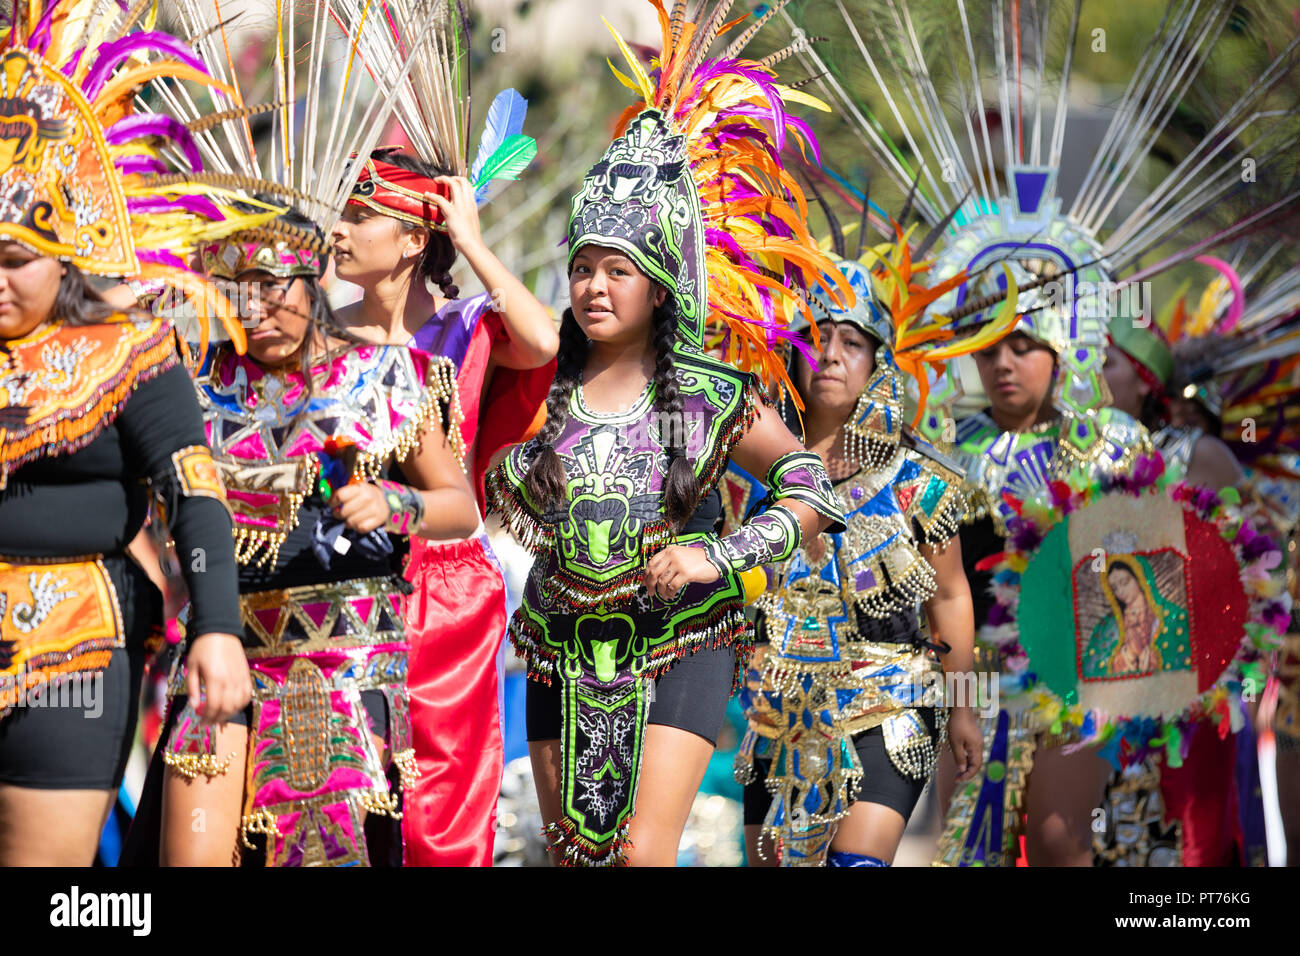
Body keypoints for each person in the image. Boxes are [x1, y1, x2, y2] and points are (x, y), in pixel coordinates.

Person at [486, 2, 851, 866]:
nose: (595, 288)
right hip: (557, 647)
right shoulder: (546, 391)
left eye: (619, 270)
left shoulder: (710, 396)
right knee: (574, 858)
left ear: (661, 286)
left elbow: (810, 487)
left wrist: (717, 557)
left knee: (644, 856)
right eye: (582, 268)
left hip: (682, 640)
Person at [0, 4, 254, 864]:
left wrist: (216, 626)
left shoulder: (132, 348)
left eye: (14, 261)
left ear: (65, 253)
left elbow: (196, 495)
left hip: (73, 648)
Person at [331, 149, 557, 865]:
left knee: (440, 805)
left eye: (360, 214)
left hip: (447, 586)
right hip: (344, 583)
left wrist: (474, 242)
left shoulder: (470, 325)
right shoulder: (326, 334)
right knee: (348, 796)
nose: (339, 229)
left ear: (413, 240)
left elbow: (547, 340)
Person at [735, 254, 985, 867]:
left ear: (877, 364)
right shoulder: (744, 473)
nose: (831, 354)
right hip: (779, 711)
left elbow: (950, 595)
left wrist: (964, 708)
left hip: (892, 700)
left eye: (852, 342)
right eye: (816, 339)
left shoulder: (918, 479)